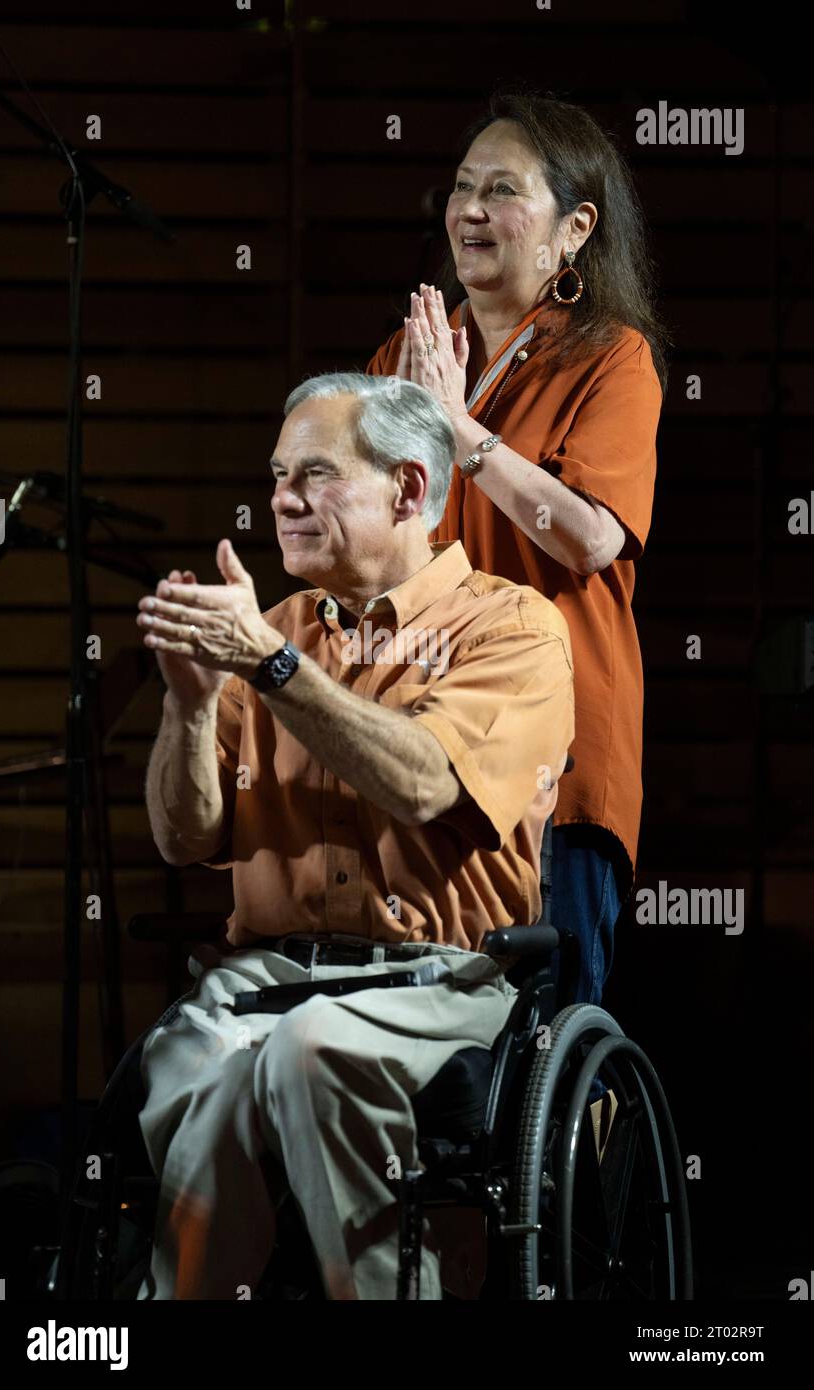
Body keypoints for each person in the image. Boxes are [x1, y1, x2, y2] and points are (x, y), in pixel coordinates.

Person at [133, 371, 574, 1300]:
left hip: (442, 980)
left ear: (409, 488)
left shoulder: (511, 627)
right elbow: (183, 838)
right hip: (267, 976)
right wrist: (190, 704)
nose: (283, 499)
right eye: (278, 474)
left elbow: (421, 784)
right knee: (203, 1072)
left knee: (310, 1046)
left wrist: (271, 666)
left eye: (316, 475)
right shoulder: (271, 634)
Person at [367, 87, 669, 1007]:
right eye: (462, 187)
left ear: (573, 228)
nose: (469, 210)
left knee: (538, 1041)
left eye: (502, 190)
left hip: (559, 761)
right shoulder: (408, 353)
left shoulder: (610, 358)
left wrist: (455, 430)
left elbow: (587, 538)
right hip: (423, 747)